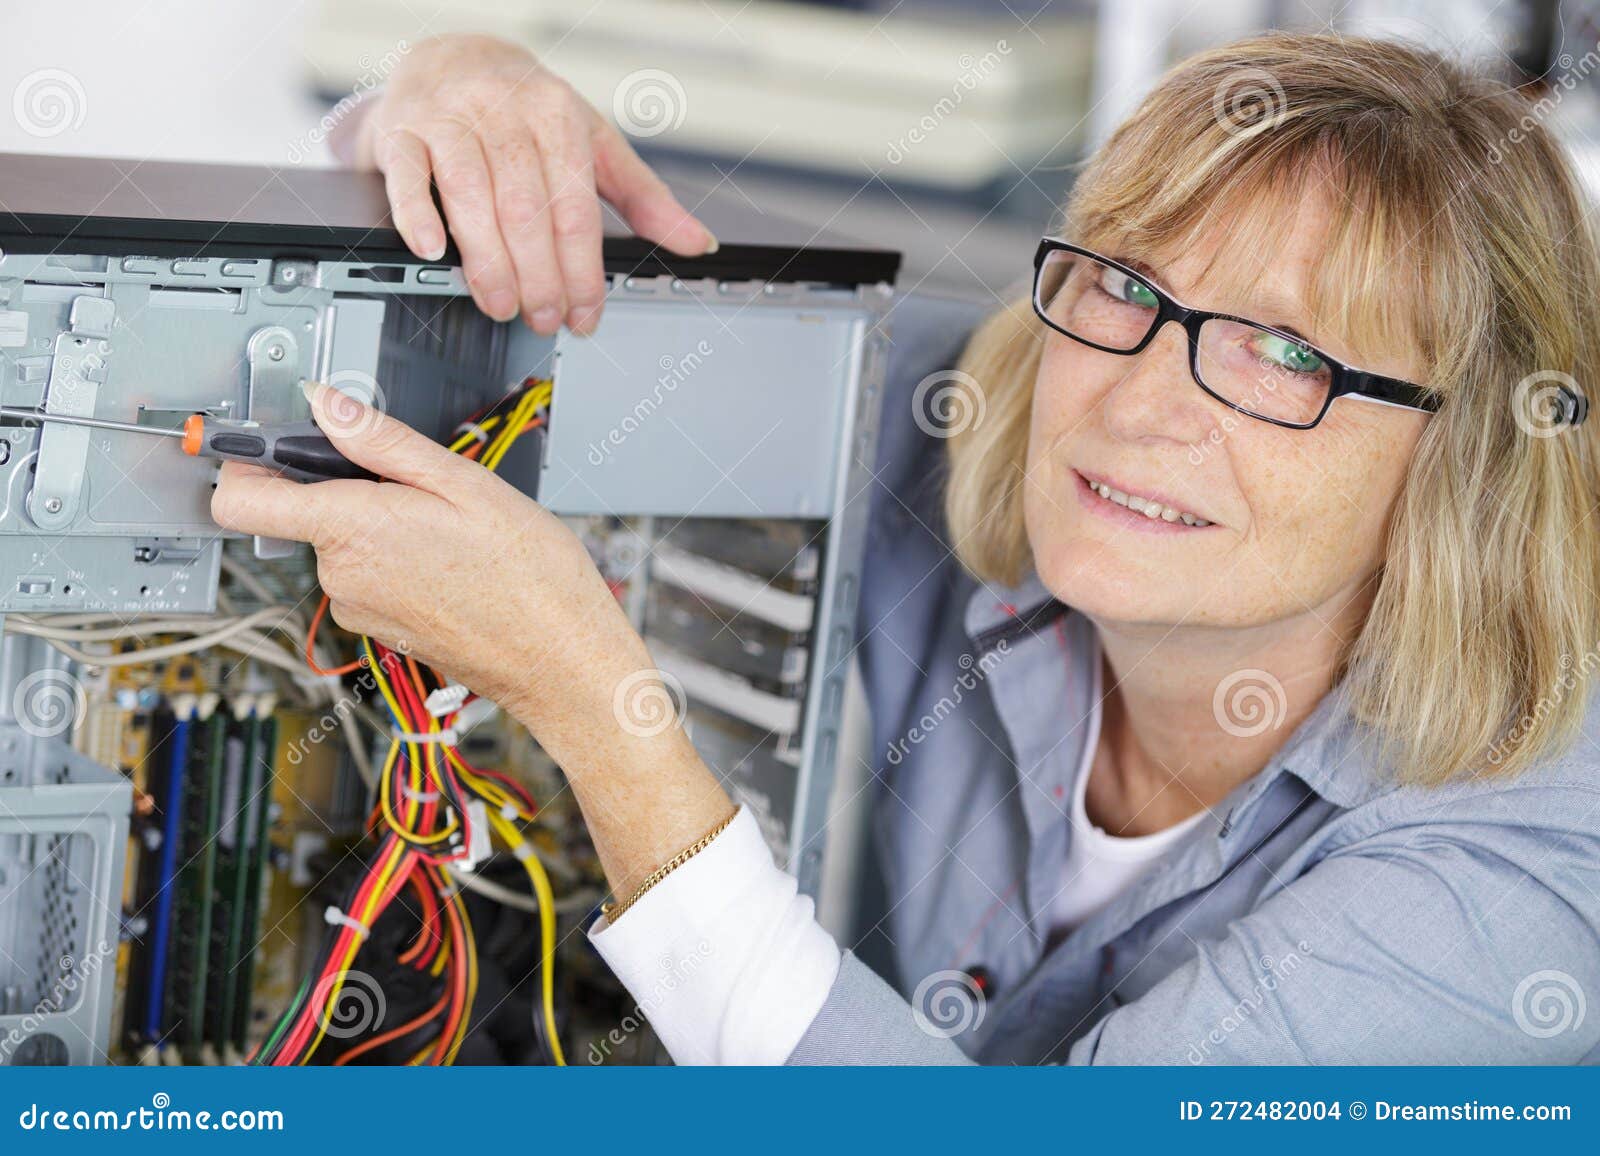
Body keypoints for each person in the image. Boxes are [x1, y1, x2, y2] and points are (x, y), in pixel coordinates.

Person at [212, 30, 1600, 1064]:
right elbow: (502, 306)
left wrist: (600, 710)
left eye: (1285, 354)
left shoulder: (1521, 880)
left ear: (1467, 461)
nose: (1141, 399)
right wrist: (432, 103)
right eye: (1128, 282)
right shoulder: (980, 402)